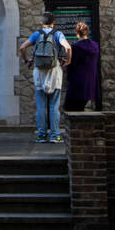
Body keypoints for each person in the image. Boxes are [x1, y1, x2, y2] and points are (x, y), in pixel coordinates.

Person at [19, 12, 71, 145]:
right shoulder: (58, 34)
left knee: (41, 106)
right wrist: (68, 60)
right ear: (54, 22)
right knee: (54, 106)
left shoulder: (37, 34)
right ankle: (54, 135)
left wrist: (27, 60)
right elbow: (68, 47)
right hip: (54, 73)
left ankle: (41, 135)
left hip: (39, 73)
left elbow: (22, 47)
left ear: (42, 22)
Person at [65, 21, 101, 112]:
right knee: (80, 107)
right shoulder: (95, 46)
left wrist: (68, 77)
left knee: (69, 107)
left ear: (77, 33)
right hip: (90, 82)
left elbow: (71, 65)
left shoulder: (76, 47)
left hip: (77, 82)